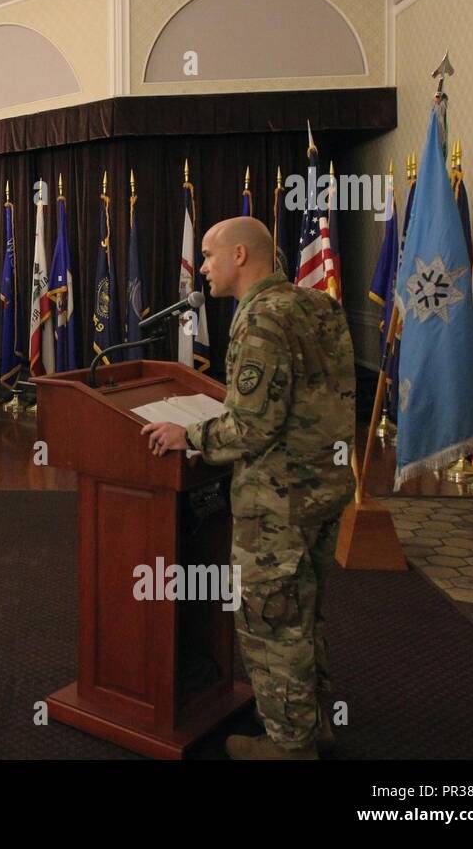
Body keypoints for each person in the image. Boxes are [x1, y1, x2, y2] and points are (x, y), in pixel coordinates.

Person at [141, 216, 355, 761]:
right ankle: (315, 723)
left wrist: (185, 432)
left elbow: (254, 425)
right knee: (304, 609)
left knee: (272, 620)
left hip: (277, 500)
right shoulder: (317, 304)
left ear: (240, 255)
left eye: (209, 256)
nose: (203, 267)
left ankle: (289, 746)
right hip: (325, 486)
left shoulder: (260, 317)